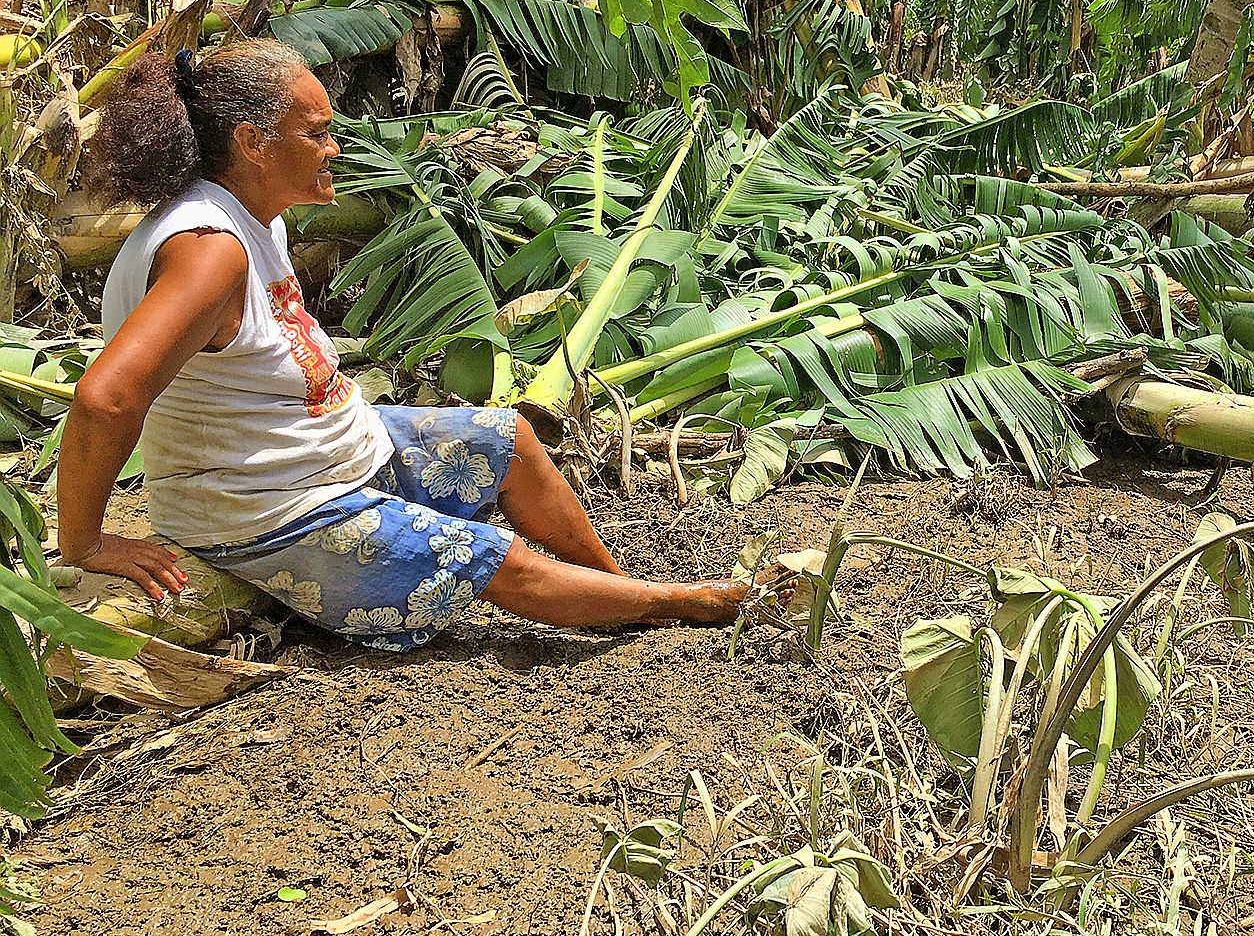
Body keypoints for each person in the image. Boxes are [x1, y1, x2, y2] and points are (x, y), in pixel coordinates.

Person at [58, 38, 745, 651]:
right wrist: (86, 541)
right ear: (252, 142)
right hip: (271, 508)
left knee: (512, 439)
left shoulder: (249, 219)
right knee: (498, 561)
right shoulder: (209, 252)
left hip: (333, 456)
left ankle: (615, 592)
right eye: (317, 132)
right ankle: (682, 602)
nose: (333, 148)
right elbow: (107, 395)